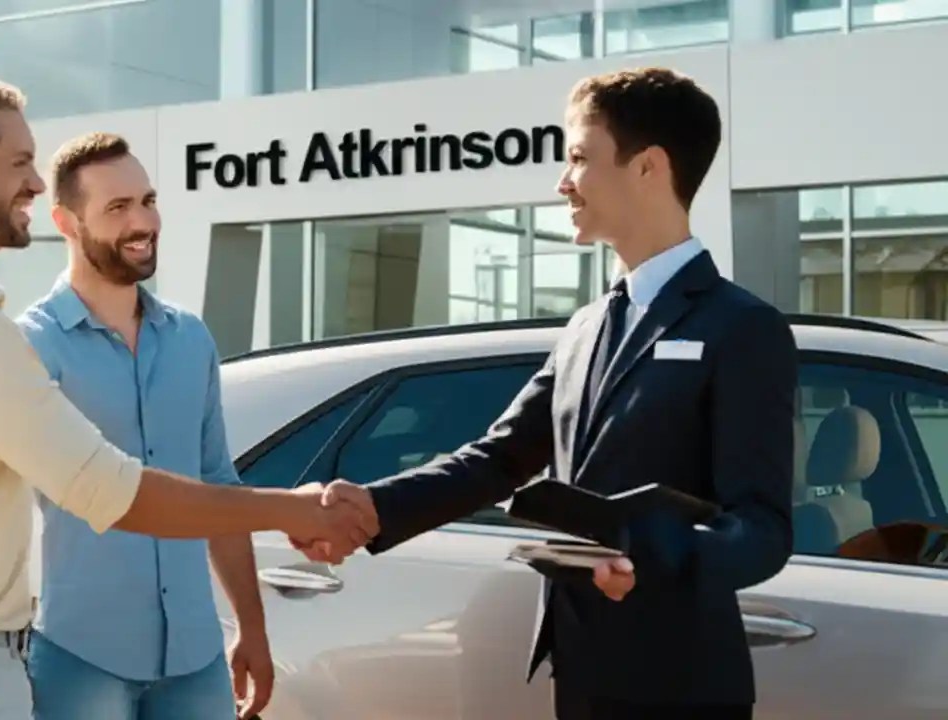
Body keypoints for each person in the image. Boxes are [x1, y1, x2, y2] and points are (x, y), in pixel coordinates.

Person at [0, 76, 376, 720]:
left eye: (147, 200)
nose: (34, 184)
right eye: (17, 164)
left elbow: (209, 477)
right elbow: (107, 489)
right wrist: (298, 511)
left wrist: (251, 621)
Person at [300, 67, 798, 719]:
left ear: (648, 167)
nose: (563, 182)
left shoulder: (743, 328)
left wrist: (651, 557)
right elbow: (501, 458)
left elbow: (761, 527)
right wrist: (373, 506)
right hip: (583, 669)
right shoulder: (586, 325)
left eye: (579, 158)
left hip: (682, 684)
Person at [14, 132, 272, 720]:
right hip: (80, 660)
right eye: (117, 207)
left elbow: (218, 489)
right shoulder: (32, 345)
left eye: (148, 200)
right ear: (66, 222)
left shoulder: (190, 340)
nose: (143, 221)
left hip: (196, 661)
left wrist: (252, 628)